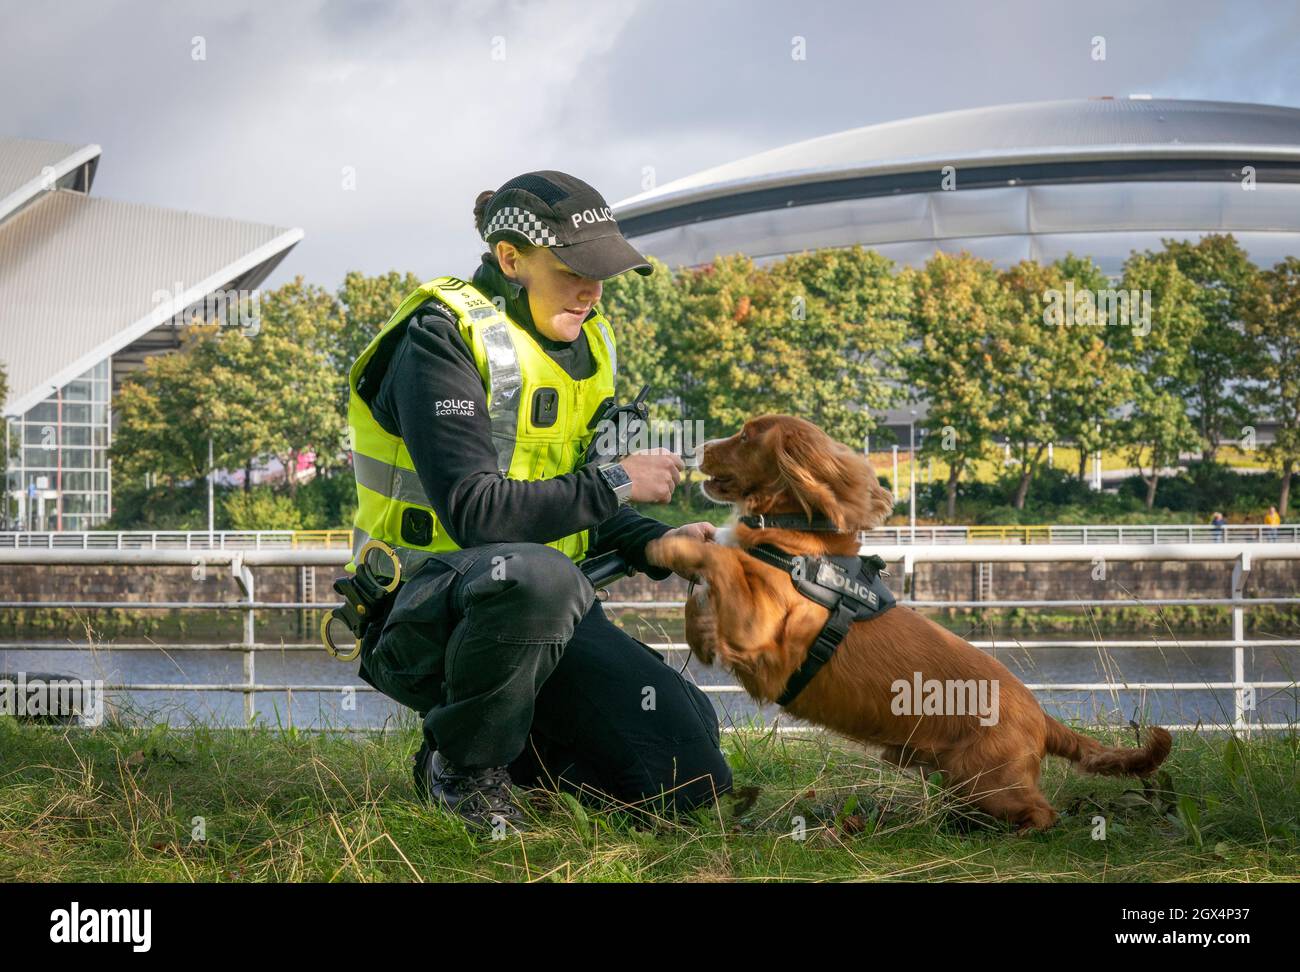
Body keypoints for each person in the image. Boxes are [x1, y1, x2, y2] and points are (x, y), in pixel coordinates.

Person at [345, 171, 731, 831]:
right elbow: (476, 513)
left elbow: (576, 497)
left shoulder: (593, 344)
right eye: (575, 270)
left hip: (546, 611)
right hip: (423, 612)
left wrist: (656, 542)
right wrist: (617, 480)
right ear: (511, 259)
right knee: (539, 576)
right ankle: (464, 772)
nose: (593, 290)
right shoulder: (439, 338)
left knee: (690, 776)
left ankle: (511, 758)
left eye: (603, 272)